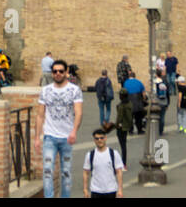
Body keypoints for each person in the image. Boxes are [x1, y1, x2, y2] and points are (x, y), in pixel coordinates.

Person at [34, 59, 83, 198]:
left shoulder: (74, 90)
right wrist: (37, 138)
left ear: (66, 72)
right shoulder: (45, 90)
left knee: (66, 173)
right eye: (55, 71)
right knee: (47, 171)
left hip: (67, 137)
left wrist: (74, 131)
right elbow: (39, 115)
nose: (58, 74)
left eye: (61, 71)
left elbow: (78, 112)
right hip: (49, 136)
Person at [83, 127, 125, 198]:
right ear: (94, 140)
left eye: (101, 138)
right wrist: (85, 189)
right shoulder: (90, 155)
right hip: (95, 190)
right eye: (97, 138)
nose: (99, 140)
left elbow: (119, 172)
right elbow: (86, 172)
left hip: (111, 190)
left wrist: (120, 189)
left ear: (105, 138)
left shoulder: (114, 153)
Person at [113, 91, 132, 166]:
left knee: (122, 145)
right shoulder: (129, 103)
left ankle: (124, 162)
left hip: (121, 127)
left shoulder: (121, 106)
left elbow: (119, 117)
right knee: (124, 145)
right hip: (127, 125)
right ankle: (124, 162)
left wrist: (116, 125)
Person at [154, 69, 170, 135]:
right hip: (164, 101)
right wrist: (168, 103)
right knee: (162, 117)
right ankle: (161, 131)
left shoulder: (154, 82)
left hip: (156, 102)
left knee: (155, 116)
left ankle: (155, 130)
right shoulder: (165, 81)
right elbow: (168, 93)